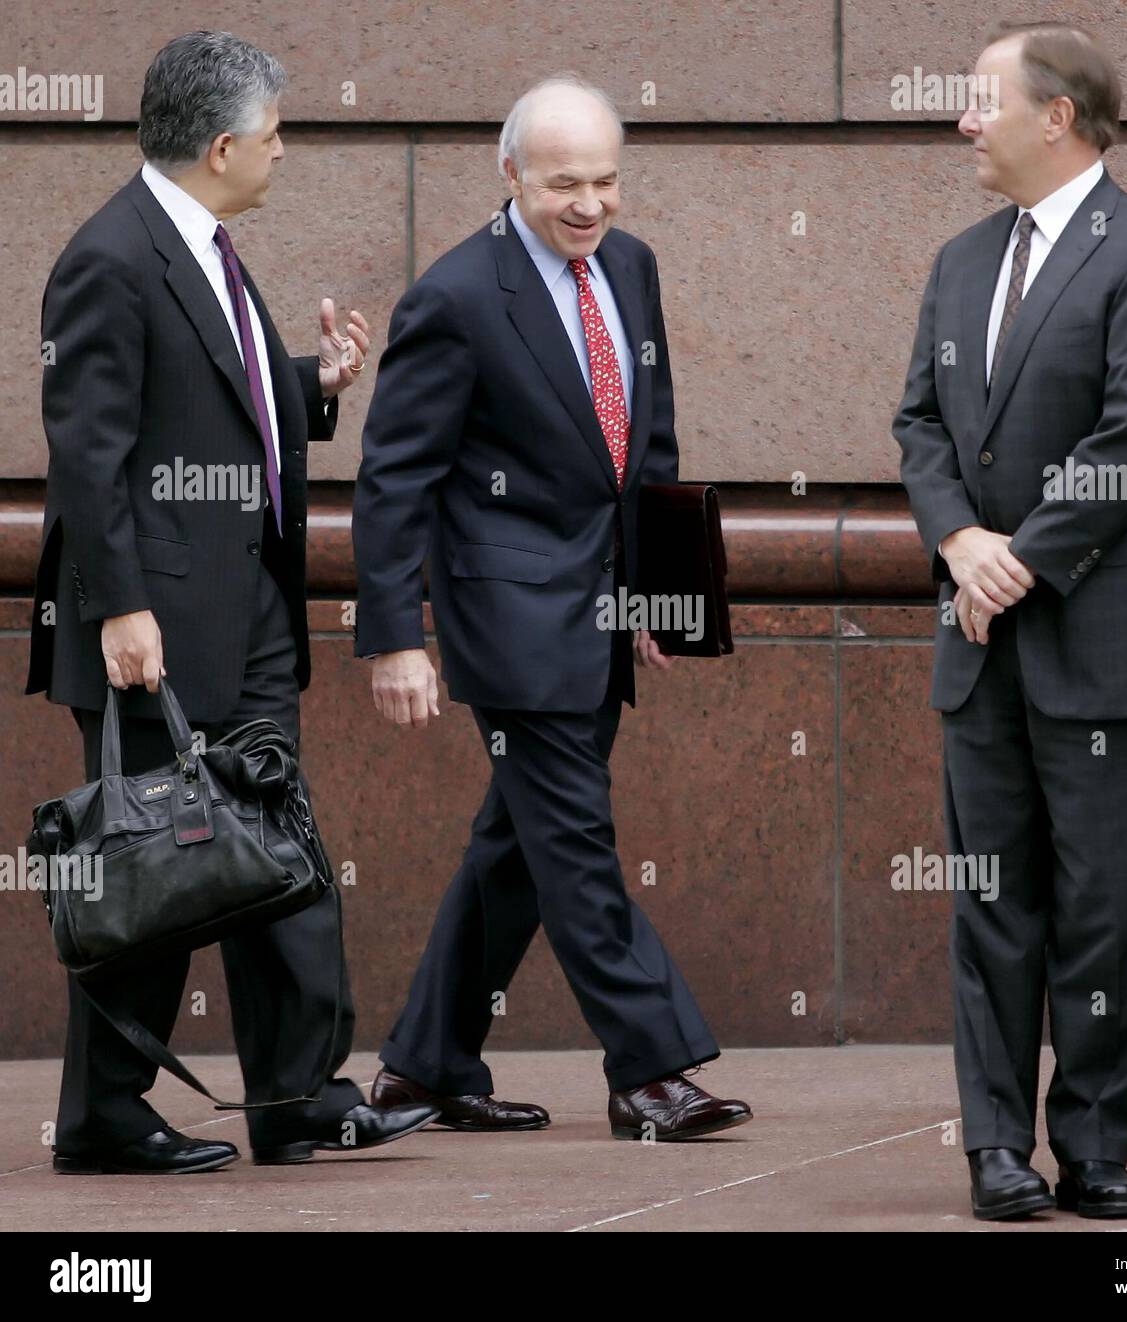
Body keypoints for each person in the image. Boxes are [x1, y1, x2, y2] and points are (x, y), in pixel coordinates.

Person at [26, 30, 437, 1171]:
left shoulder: (202, 240)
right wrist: (117, 607)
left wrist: (313, 387)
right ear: (219, 146)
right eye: (271, 137)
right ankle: (105, 1115)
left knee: (275, 849)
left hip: (246, 609)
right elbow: (87, 452)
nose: (280, 152)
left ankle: (299, 1093)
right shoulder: (110, 256)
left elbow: (208, 397)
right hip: (152, 621)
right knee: (157, 870)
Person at [351, 75, 751, 1141]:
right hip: (508, 620)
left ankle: (422, 1065)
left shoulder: (629, 266)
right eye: (564, 181)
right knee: (573, 839)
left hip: (605, 606)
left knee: (519, 846)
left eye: (607, 179)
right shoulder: (456, 295)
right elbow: (393, 480)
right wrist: (395, 634)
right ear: (510, 173)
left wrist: (660, 582)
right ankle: (651, 1070)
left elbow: (646, 432)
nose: (591, 203)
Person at [892, 21, 1127, 1219]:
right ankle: (993, 1147)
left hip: (1100, 641)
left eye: (982, 101)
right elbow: (919, 424)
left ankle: (1092, 1146)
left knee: (1103, 907)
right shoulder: (959, 261)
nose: (962, 121)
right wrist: (958, 544)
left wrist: (1010, 563)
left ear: (1056, 117)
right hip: (979, 644)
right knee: (990, 902)